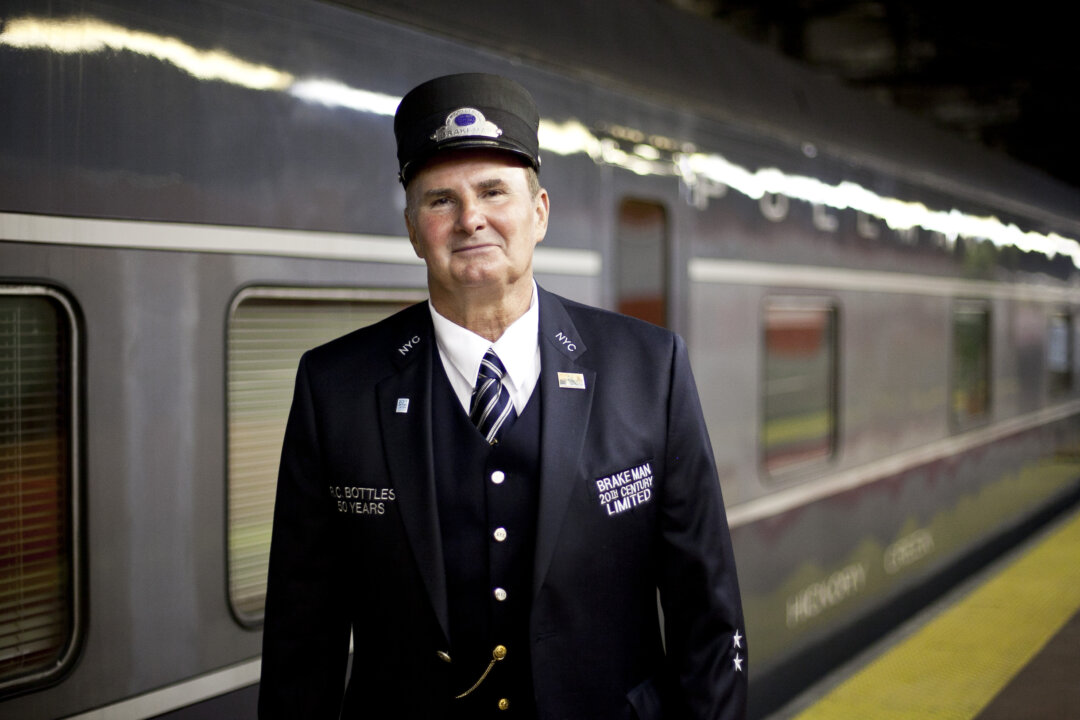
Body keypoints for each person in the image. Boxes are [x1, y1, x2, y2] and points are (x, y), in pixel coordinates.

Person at [259, 72, 747, 720]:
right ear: (412, 228)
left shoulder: (649, 370)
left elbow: (707, 620)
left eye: (494, 192)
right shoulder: (336, 388)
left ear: (538, 212)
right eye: (440, 201)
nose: (471, 220)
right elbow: (302, 641)